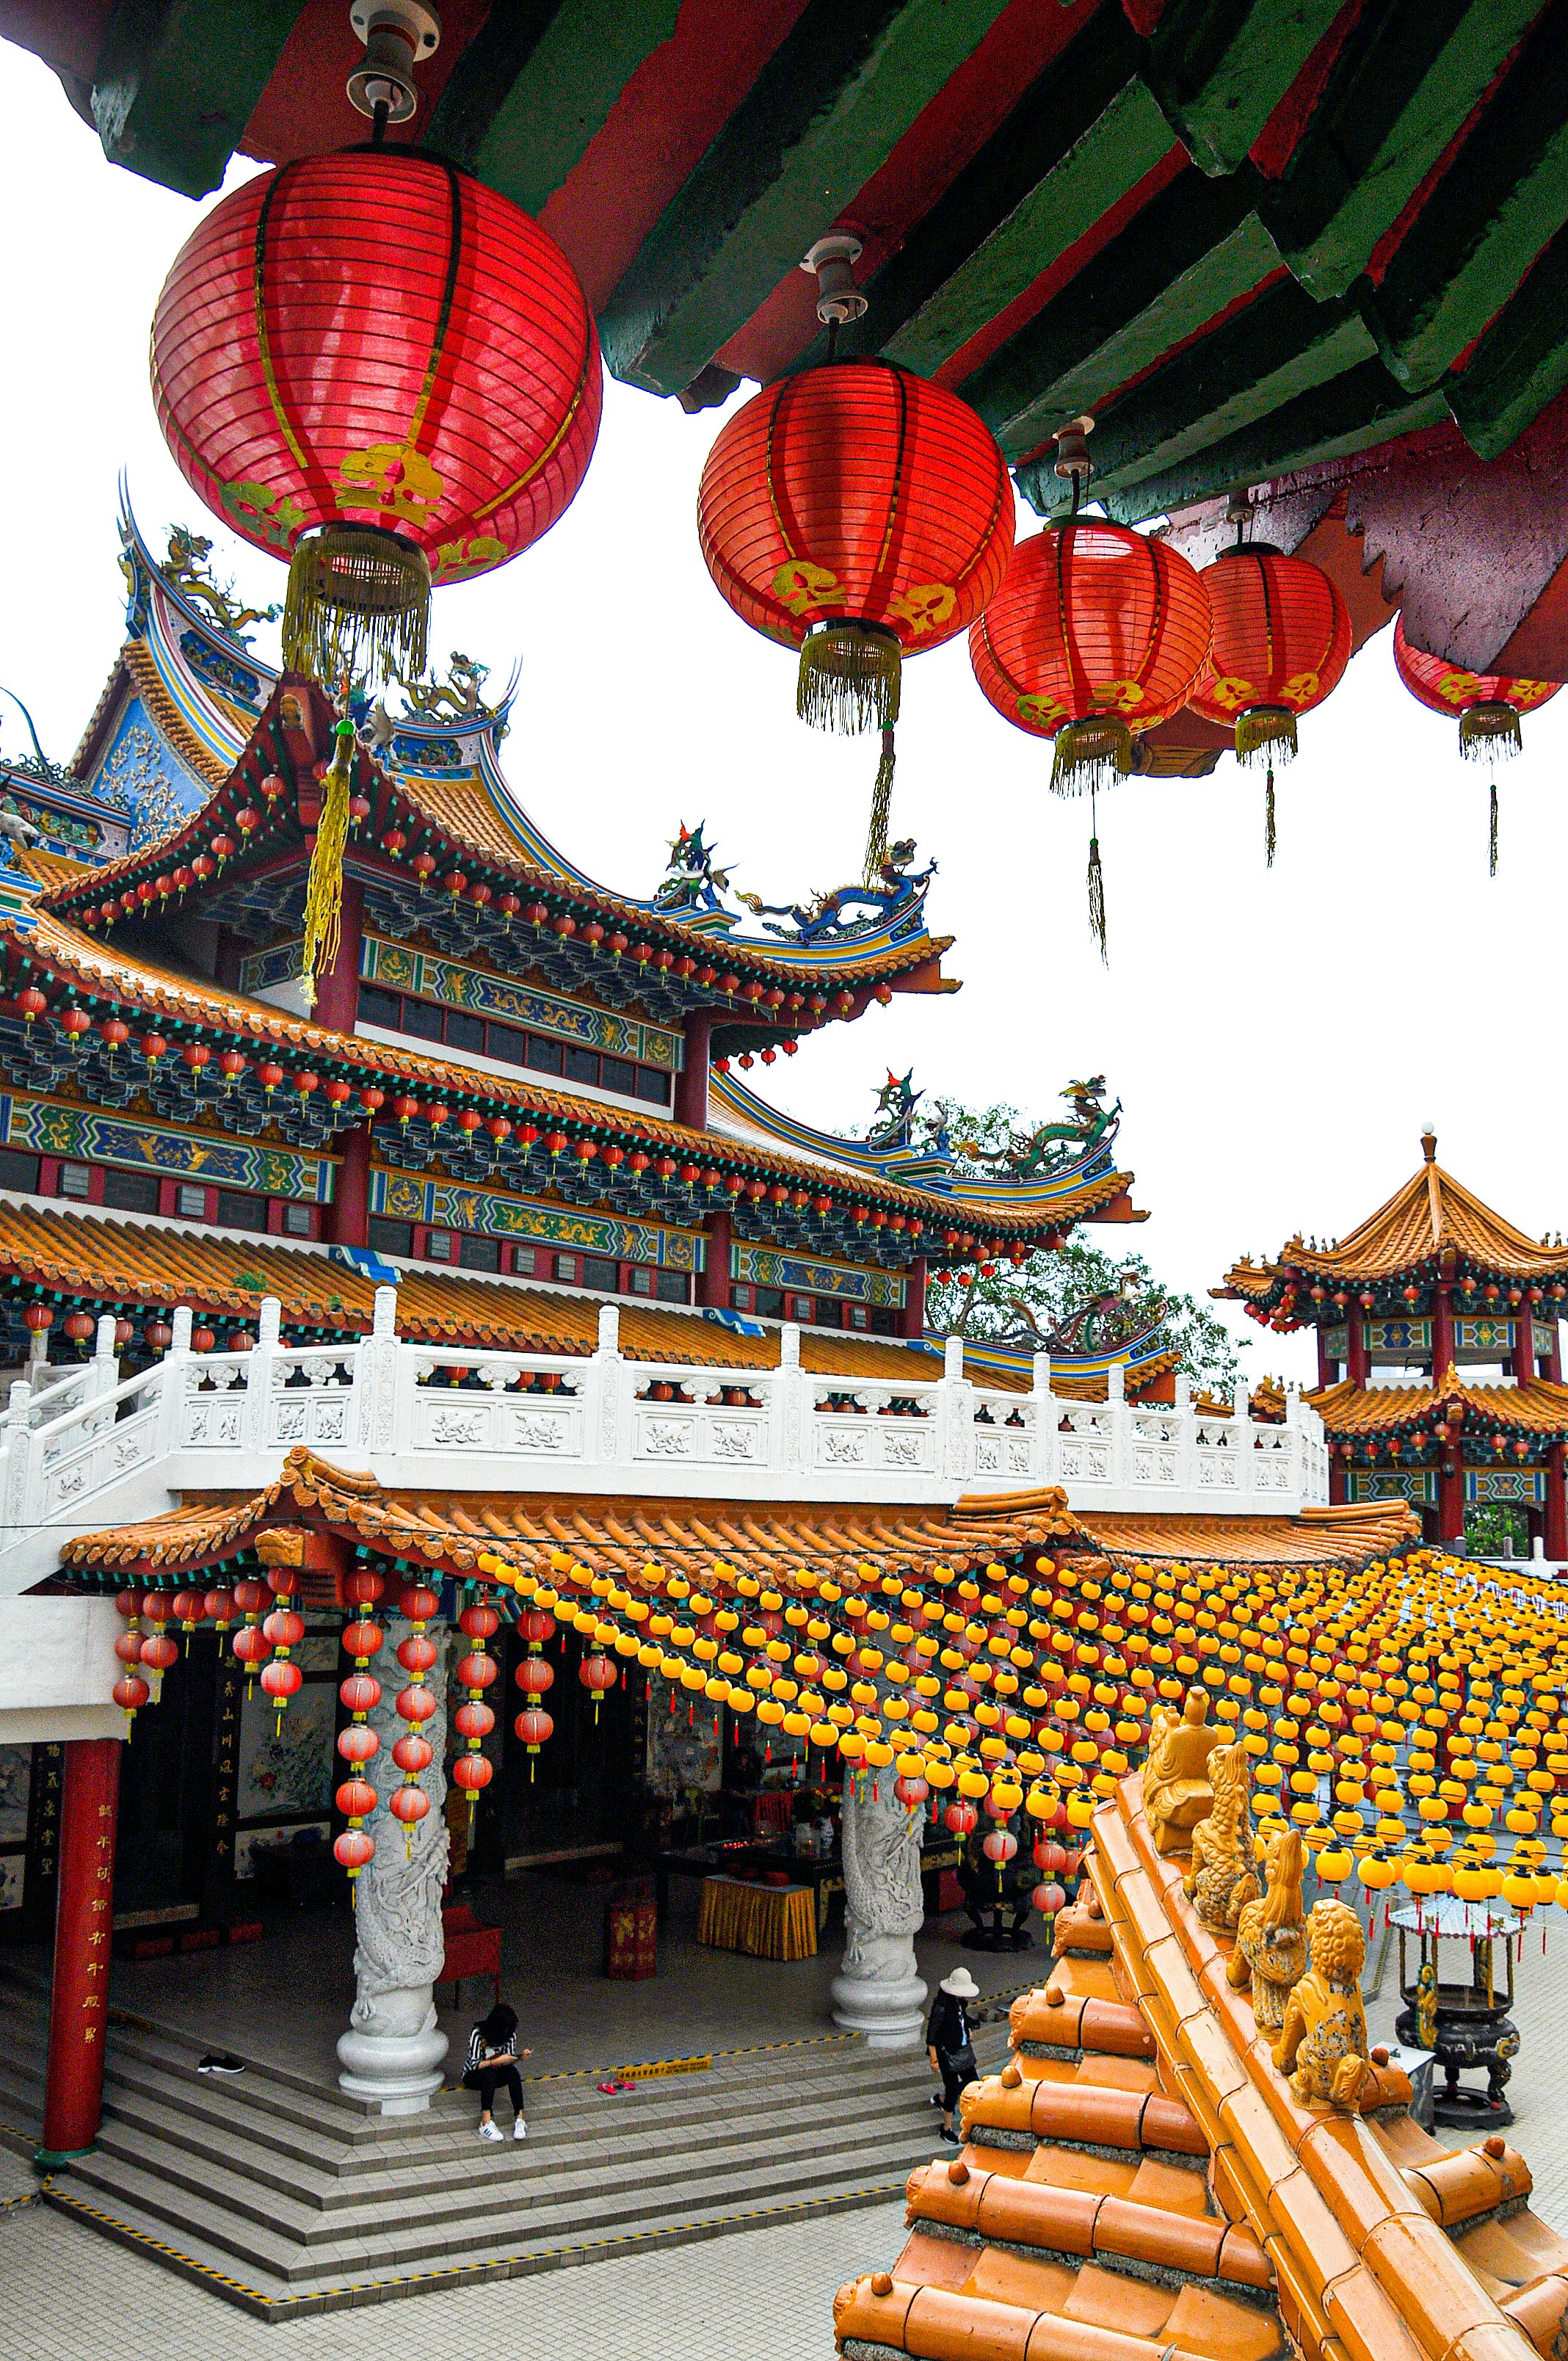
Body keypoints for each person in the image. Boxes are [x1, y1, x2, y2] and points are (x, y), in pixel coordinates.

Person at [463, 2001, 531, 2141]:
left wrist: (519, 2057)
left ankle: (520, 2118)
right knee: (489, 2074)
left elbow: (508, 2060)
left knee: (512, 2072)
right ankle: (486, 2121)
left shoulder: (510, 2035)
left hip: (497, 2072)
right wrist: (495, 2062)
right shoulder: (478, 2034)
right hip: (475, 2075)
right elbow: (474, 2064)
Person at [926, 1967, 980, 2145]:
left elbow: (962, 2018)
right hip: (946, 2053)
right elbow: (932, 2035)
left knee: (972, 2082)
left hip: (962, 2050)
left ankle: (941, 2100)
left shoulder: (958, 2003)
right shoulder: (941, 2007)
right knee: (952, 2090)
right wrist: (934, 2060)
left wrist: (968, 2028)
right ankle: (946, 2129)